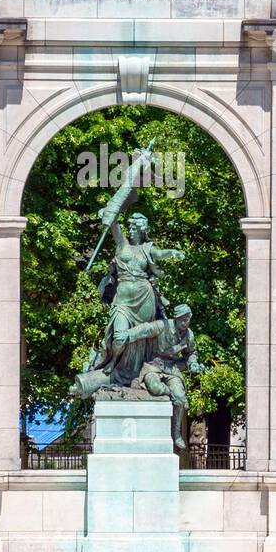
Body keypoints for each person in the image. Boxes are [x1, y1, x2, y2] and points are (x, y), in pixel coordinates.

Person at [69, 146, 185, 397]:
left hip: (144, 298)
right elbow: (113, 222)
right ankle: (110, 367)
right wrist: (111, 211)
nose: (131, 229)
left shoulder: (147, 249)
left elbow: (161, 254)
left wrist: (173, 253)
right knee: (120, 336)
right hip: (123, 300)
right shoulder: (121, 244)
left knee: (139, 342)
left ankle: (129, 376)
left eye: (135, 227)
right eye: (130, 226)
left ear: (142, 231)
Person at [137, 304, 203, 450]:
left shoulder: (189, 334)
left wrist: (193, 364)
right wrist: (126, 335)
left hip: (172, 369)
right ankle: (170, 395)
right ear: (176, 318)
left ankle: (176, 433)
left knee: (180, 397)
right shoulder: (162, 326)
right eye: (183, 319)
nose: (186, 323)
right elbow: (144, 329)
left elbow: (191, 353)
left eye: (188, 319)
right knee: (155, 388)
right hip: (153, 365)